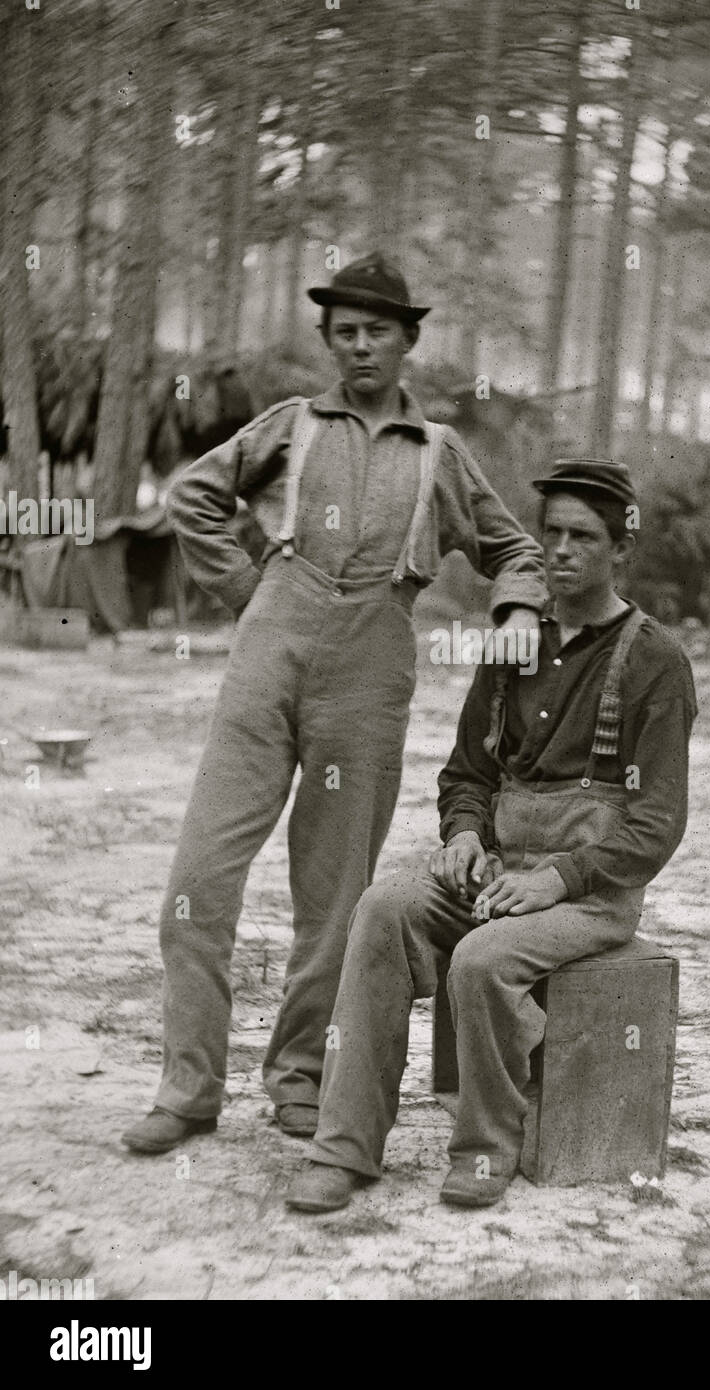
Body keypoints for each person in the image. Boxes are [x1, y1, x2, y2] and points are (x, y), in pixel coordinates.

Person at [122, 253, 546, 1154]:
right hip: (267, 654)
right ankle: (188, 1086)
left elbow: (515, 549)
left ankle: (299, 1076)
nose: (359, 346)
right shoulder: (288, 427)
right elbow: (195, 495)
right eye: (344, 332)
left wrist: (514, 612)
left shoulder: (438, 453)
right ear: (327, 340)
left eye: (377, 332)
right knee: (197, 882)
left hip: (370, 668)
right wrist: (247, 592)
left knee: (334, 899)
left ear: (406, 344)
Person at [285, 458, 697, 1213]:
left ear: (620, 549)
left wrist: (558, 878)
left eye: (582, 536)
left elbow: (656, 821)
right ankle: (344, 1145)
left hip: (591, 894)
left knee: (480, 959)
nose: (560, 551)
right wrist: (465, 834)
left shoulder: (655, 661)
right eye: (550, 535)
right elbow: (466, 773)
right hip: (497, 872)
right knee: (382, 910)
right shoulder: (512, 647)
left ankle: (485, 1145)